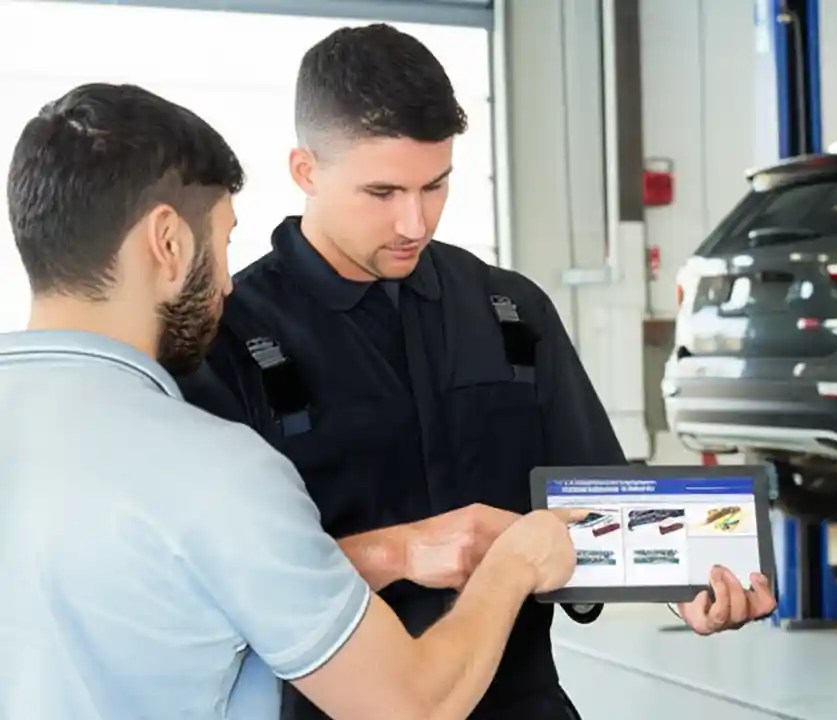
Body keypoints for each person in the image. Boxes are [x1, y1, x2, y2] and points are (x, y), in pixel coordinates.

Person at [178, 23, 778, 720]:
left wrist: (682, 583)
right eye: (383, 192)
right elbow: (216, 585)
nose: (415, 222)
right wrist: (398, 552)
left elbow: (597, 506)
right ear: (306, 171)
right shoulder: (226, 336)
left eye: (435, 185)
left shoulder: (508, 312)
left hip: (519, 701)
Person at [0, 81, 585, 720]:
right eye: (222, 242)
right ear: (168, 242)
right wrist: (514, 563)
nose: (226, 282)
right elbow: (411, 706)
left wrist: (396, 551)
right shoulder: (212, 467)